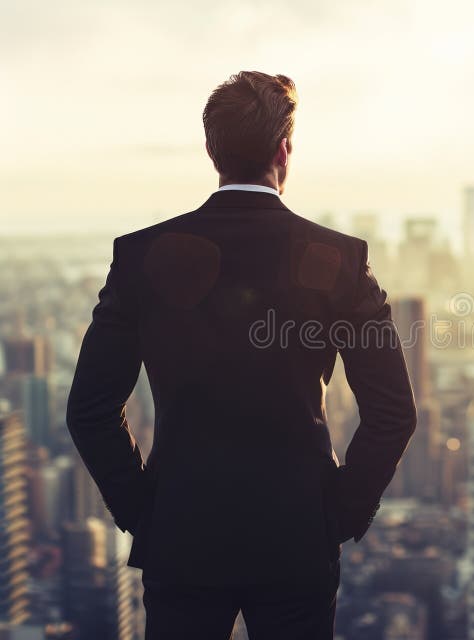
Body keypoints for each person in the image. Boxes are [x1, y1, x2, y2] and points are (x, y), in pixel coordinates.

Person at [66, 71, 417, 640]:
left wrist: (145, 512)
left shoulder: (141, 256)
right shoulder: (340, 259)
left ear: (212, 151)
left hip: (182, 536)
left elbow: (89, 409)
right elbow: (394, 412)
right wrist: (337, 514)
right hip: (297, 539)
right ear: (284, 150)